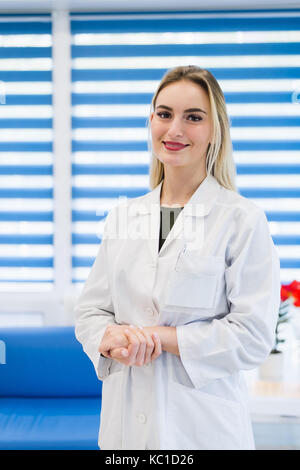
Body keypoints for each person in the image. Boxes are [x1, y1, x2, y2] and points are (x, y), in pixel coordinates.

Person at [74, 65, 281, 450]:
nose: (174, 130)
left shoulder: (242, 220)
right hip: (124, 430)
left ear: (214, 129)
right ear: (151, 120)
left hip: (201, 429)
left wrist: (160, 338)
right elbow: (90, 311)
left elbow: (252, 336)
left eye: (193, 118)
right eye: (164, 114)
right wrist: (110, 338)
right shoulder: (124, 216)